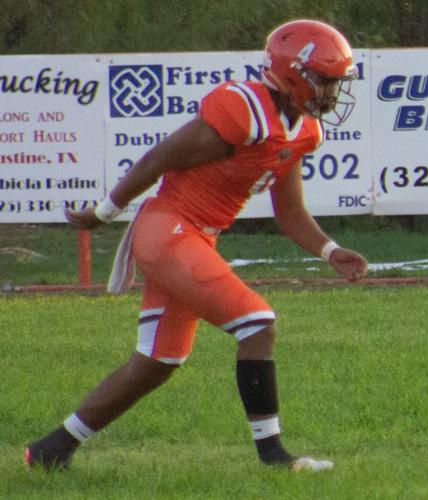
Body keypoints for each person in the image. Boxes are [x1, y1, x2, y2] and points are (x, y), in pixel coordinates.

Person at [24, 19, 368, 472]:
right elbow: (159, 157)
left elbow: (289, 213)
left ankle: (50, 450)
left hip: (195, 238)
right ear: (291, 72)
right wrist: (104, 212)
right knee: (258, 323)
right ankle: (273, 457)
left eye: (335, 83)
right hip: (168, 230)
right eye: (324, 81)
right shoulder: (243, 108)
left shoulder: (301, 129)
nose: (330, 94)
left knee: (157, 362)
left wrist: (329, 250)